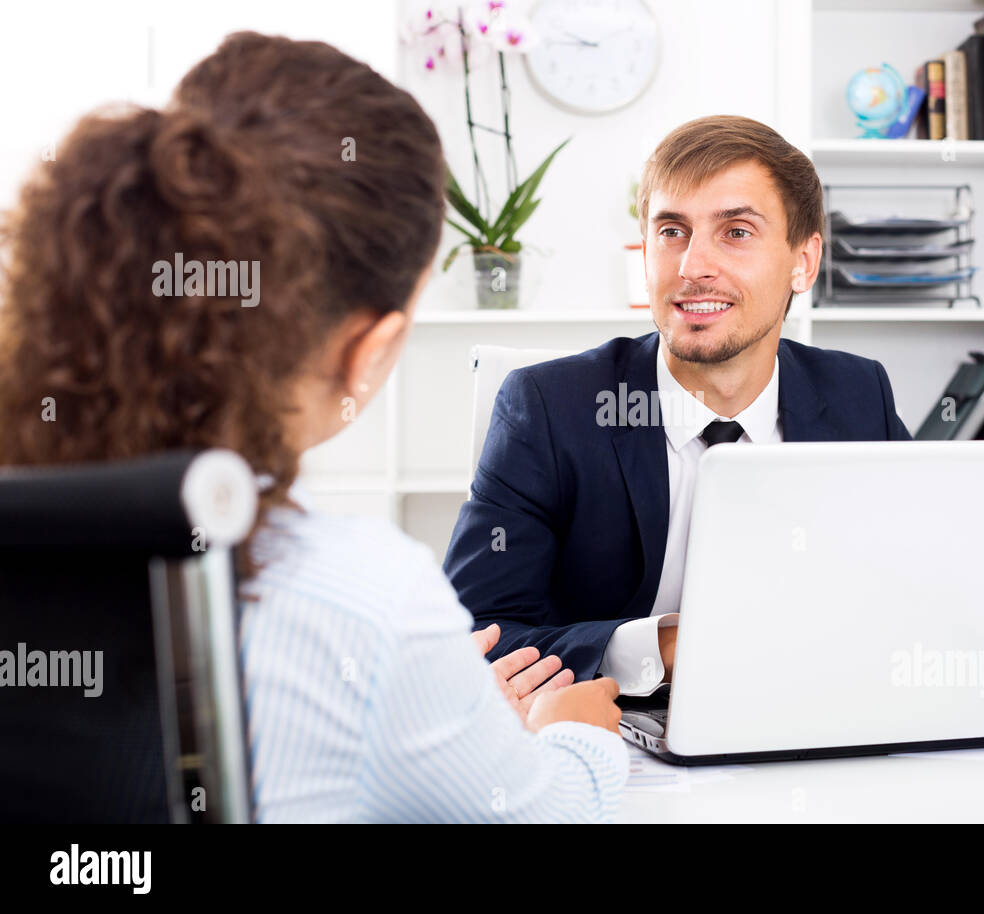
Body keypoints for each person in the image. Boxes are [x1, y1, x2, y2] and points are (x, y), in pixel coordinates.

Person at [0, 32, 626, 822]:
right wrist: (571, 734)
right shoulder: (361, 599)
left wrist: (425, 703)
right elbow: (546, 812)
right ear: (370, 347)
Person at [444, 115, 911, 697]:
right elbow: (472, 640)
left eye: (736, 231)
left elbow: (920, 592)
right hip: (613, 743)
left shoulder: (859, 396)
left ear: (804, 261)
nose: (692, 267)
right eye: (671, 231)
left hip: (815, 725)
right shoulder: (548, 409)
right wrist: (655, 646)